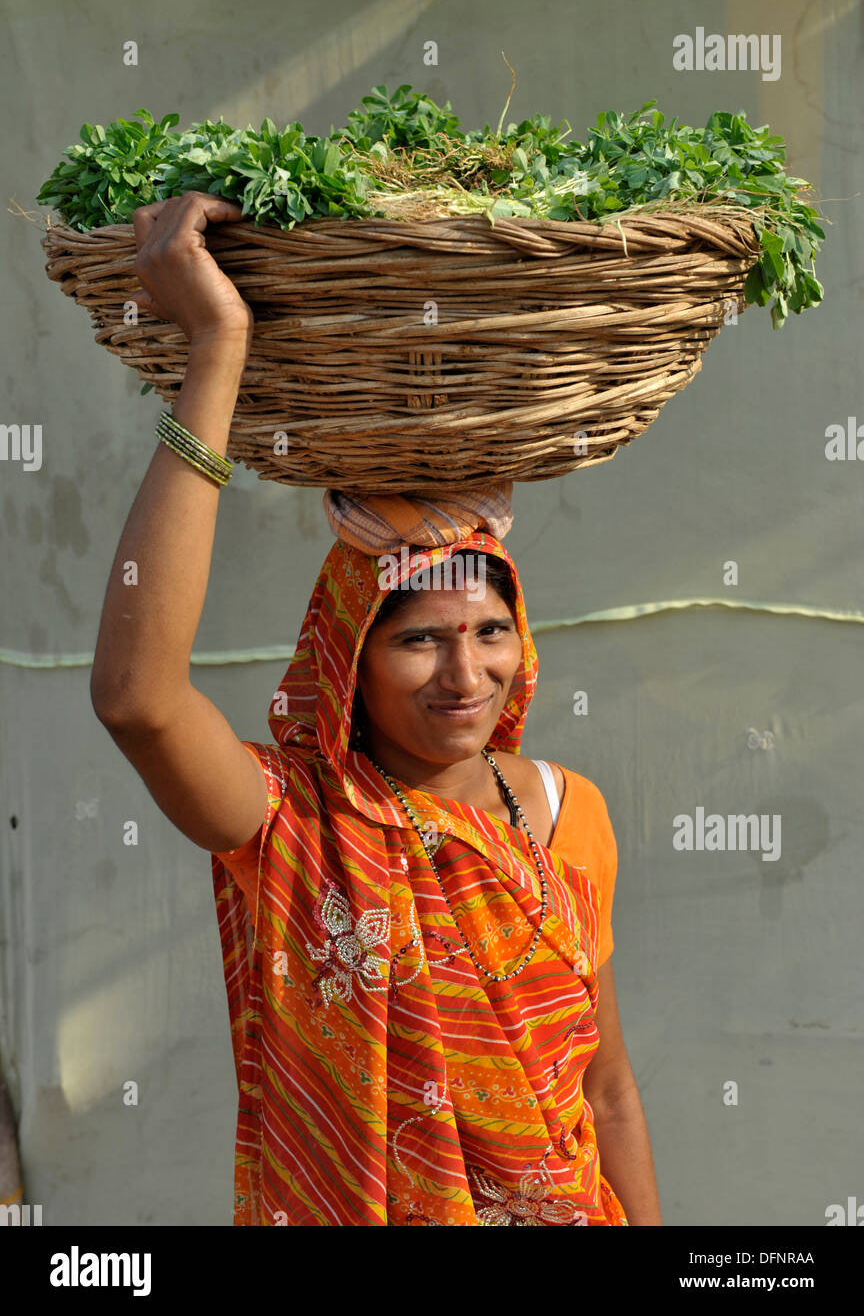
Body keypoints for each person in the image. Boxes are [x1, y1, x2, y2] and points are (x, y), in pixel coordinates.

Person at [90, 191, 662, 1227]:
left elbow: (609, 1090)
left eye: (490, 631)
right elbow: (137, 700)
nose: (466, 674)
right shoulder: (291, 821)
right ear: (347, 656)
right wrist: (218, 349)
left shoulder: (572, 812)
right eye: (418, 640)